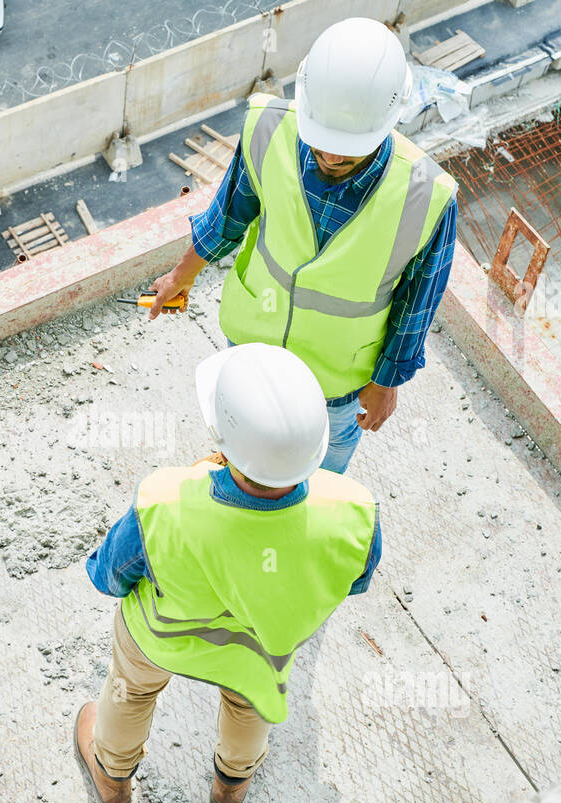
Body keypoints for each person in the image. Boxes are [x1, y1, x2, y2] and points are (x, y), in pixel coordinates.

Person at [75, 344, 382, 803]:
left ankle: (113, 779)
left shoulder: (164, 502)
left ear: (222, 436)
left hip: (162, 637)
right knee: (250, 704)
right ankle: (231, 786)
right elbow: (353, 581)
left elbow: (108, 577)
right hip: (262, 645)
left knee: (130, 689)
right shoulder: (355, 512)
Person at [147, 17, 458, 474]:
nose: (331, 155)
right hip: (252, 344)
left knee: (321, 473)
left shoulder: (427, 195)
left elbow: (418, 304)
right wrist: (180, 276)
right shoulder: (266, 130)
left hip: (334, 383)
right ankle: (238, 469)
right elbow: (228, 216)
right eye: (323, 141)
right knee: (242, 436)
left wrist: (386, 382)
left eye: (348, 148)